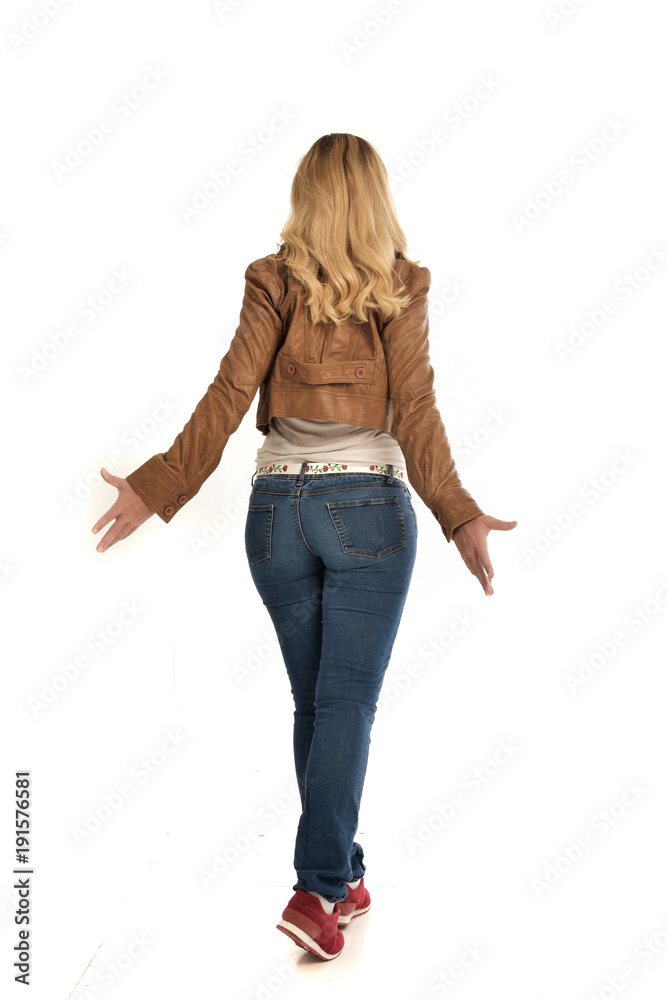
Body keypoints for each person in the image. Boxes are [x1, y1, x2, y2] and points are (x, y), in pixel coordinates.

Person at [91, 133, 516, 962]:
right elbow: (416, 407)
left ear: (305, 197)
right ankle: (316, 888)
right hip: (365, 508)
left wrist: (161, 482)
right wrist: (456, 512)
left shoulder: (272, 277)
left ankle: (344, 874)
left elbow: (229, 387)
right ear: (375, 201)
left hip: (274, 515)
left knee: (318, 707)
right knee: (344, 705)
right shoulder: (401, 284)